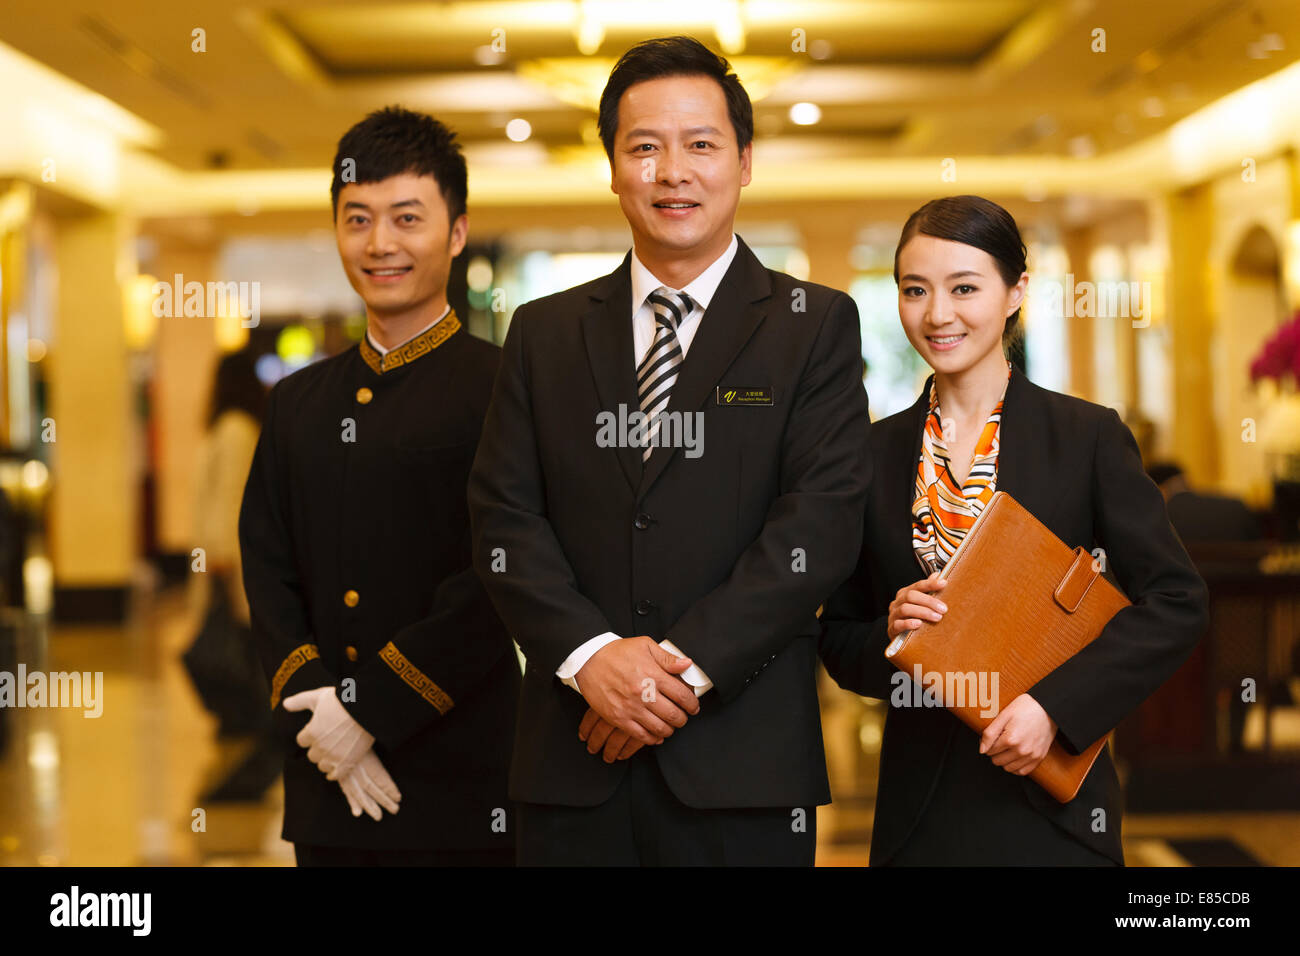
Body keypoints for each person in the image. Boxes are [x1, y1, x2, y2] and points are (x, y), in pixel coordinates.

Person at [468, 35, 871, 866]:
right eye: (644, 147)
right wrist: (590, 660)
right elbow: (504, 517)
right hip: (571, 761)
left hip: (743, 765)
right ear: (613, 167)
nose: (671, 171)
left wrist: (674, 673)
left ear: (745, 161)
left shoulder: (814, 324)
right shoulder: (543, 332)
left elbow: (819, 524)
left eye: (700, 145)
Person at [819, 195, 1208, 865]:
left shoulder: (1085, 437)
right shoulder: (871, 454)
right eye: (916, 290)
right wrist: (887, 631)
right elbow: (836, 636)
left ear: (1015, 292)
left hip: (1052, 809)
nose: (937, 314)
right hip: (921, 814)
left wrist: (1056, 709)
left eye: (964, 287)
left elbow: (1176, 602)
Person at [239, 106, 519, 866]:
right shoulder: (299, 403)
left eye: (406, 218)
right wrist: (326, 712)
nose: (380, 244)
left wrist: (369, 712)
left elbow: (500, 578)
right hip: (326, 772)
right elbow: (267, 566)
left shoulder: (504, 389)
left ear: (456, 233)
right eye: (357, 219)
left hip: (462, 775)